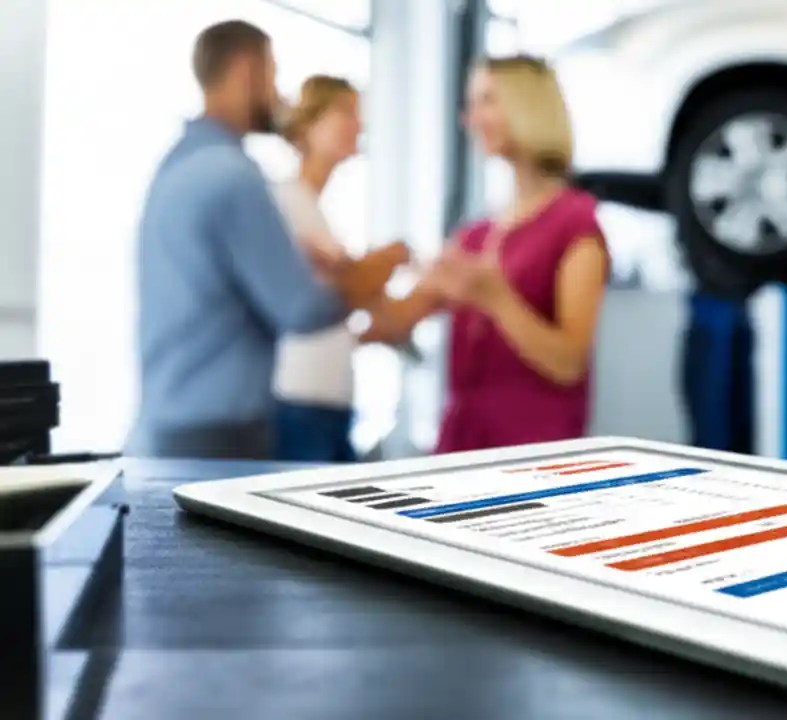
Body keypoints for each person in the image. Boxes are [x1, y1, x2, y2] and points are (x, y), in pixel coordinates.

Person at [131, 20, 403, 460]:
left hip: (171, 422)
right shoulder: (235, 175)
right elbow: (302, 308)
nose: (279, 95)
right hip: (220, 433)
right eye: (273, 74)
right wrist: (376, 269)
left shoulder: (177, 168)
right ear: (246, 71)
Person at [363, 55, 610, 453]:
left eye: (486, 100)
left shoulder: (576, 224)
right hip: (462, 448)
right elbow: (394, 322)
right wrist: (359, 278)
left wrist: (496, 298)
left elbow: (569, 362)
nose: (471, 118)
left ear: (527, 105)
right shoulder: (476, 235)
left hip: (534, 450)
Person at [271, 75, 369, 462]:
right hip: (300, 403)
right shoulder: (285, 203)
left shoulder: (316, 211)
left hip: (330, 404)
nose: (358, 126)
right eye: (345, 112)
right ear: (307, 125)